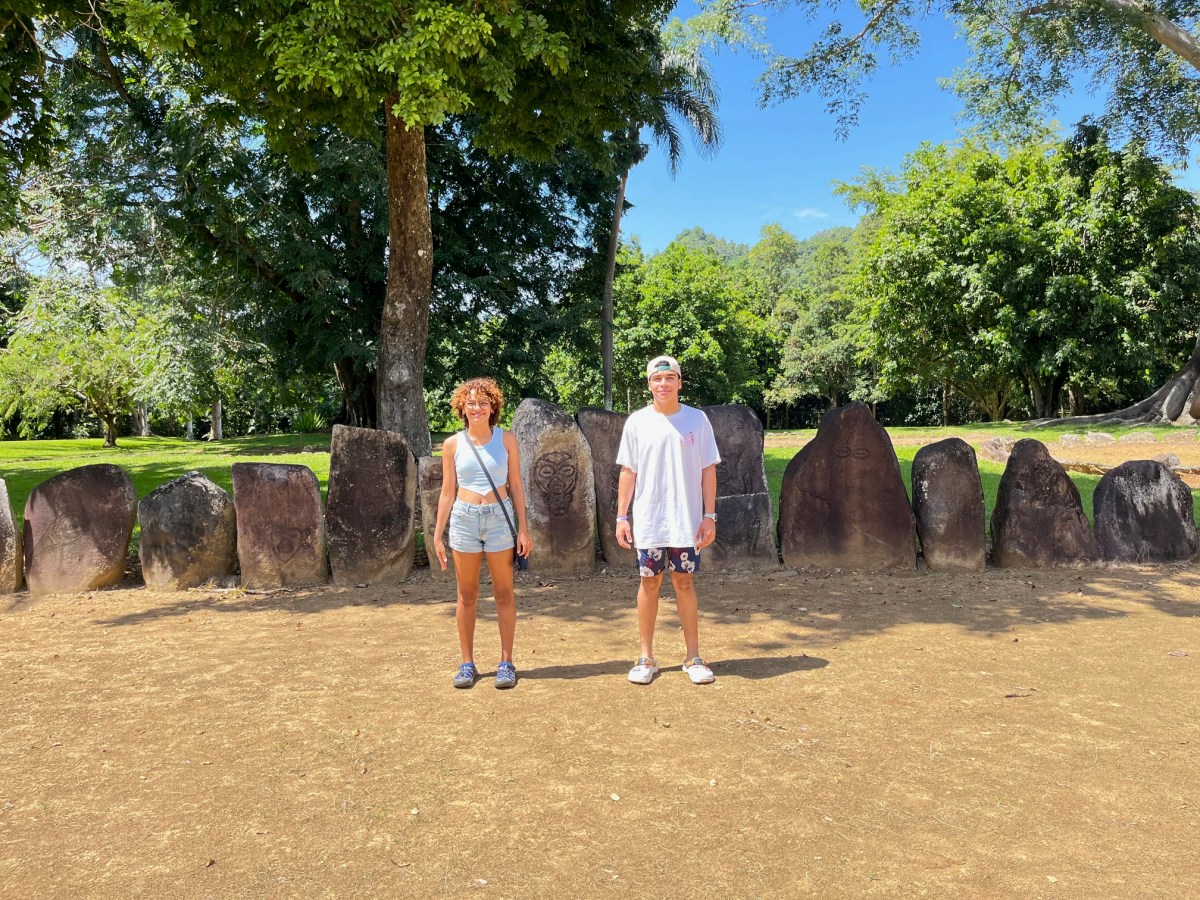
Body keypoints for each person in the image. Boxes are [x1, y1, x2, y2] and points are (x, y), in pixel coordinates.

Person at [615, 354, 721, 685]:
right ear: (649, 384)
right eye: (657, 379)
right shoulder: (636, 422)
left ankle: (693, 657)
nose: (663, 384)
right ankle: (646, 656)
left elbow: (708, 469)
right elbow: (628, 471)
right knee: (649, 582)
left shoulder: (697, 420)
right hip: (649, 521)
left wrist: (709, 515)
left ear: (679, 382)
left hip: (686, 522)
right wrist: (621, 516)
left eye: (669, 378)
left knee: (684, 582)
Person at [433, 377, 532, 689]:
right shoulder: (452, 445)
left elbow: (516, 485)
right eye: (471, 403)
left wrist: (523, 529)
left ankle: (506, 662)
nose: (477, 408)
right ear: (462, 407)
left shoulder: (506, 441)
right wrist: (437, 535)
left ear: (493, 408)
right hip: (464, 519)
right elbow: (448, 492)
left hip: (499, 519)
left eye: (483, 403)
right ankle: (467, 663)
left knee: (504, 593)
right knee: (467, 594)